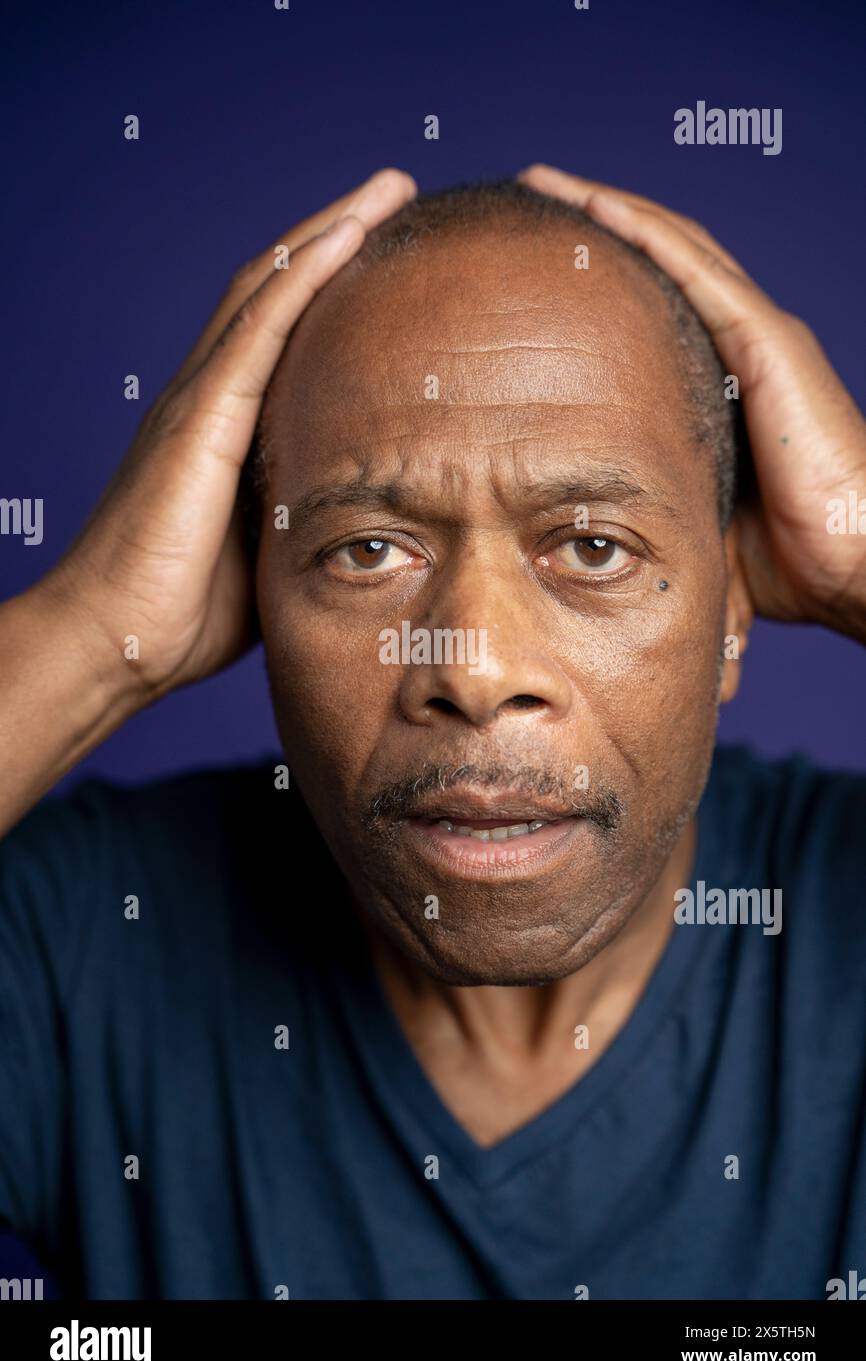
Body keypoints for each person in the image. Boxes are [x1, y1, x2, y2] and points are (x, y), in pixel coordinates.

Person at [1, 165, 864, 1300]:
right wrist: (96, 626)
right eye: (367, 551)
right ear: (251, 583)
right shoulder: (83, 942)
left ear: (730, 610)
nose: (472, 669)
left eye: (593, 547)